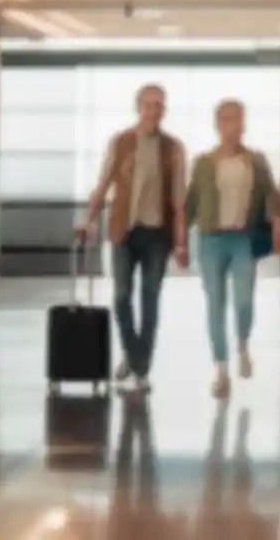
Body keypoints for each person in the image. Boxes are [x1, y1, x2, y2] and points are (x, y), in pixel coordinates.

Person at [78, 83, 189, 393]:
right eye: (149, 104)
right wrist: (87, 219)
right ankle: (132, 354)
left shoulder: (174, 148)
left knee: (150, 299)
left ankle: (141, 368)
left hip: (157, 235)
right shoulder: (122, 142)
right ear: (138, 106)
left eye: (160, 105)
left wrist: (181, 242)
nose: (155, 110)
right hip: (123, 232)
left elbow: (179, 200)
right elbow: (103, 184)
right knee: (122, 297)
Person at [184, 100, 280, 398]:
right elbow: (190, 202)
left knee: (243, 300)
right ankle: (221, 369)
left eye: (237, 120)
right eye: (226, 120)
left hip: (243, 239)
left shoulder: (255, 161)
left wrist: (277, 229)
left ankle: (242, 344)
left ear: (243, 124)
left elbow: (272, 198)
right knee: (215, 303)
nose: (232, 126)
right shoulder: (203, 162)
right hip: (211, 240)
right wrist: (178, 240)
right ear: (218, 125)